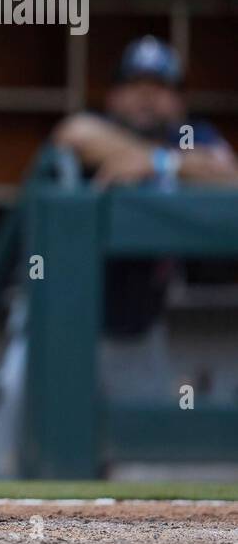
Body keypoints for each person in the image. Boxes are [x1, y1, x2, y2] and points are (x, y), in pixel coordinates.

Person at [52, 37, 238, 396]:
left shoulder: (189, 138)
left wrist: (160, 163)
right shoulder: (99, 127)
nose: (146, 96)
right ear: (113, 97)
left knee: (147, 446)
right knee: (33, 442)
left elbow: (231, 175)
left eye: (160, 87)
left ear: (180, 102)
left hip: (137, 335)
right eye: (134, 84)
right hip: (61, 326)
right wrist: (171, 164)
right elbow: (73, 136)